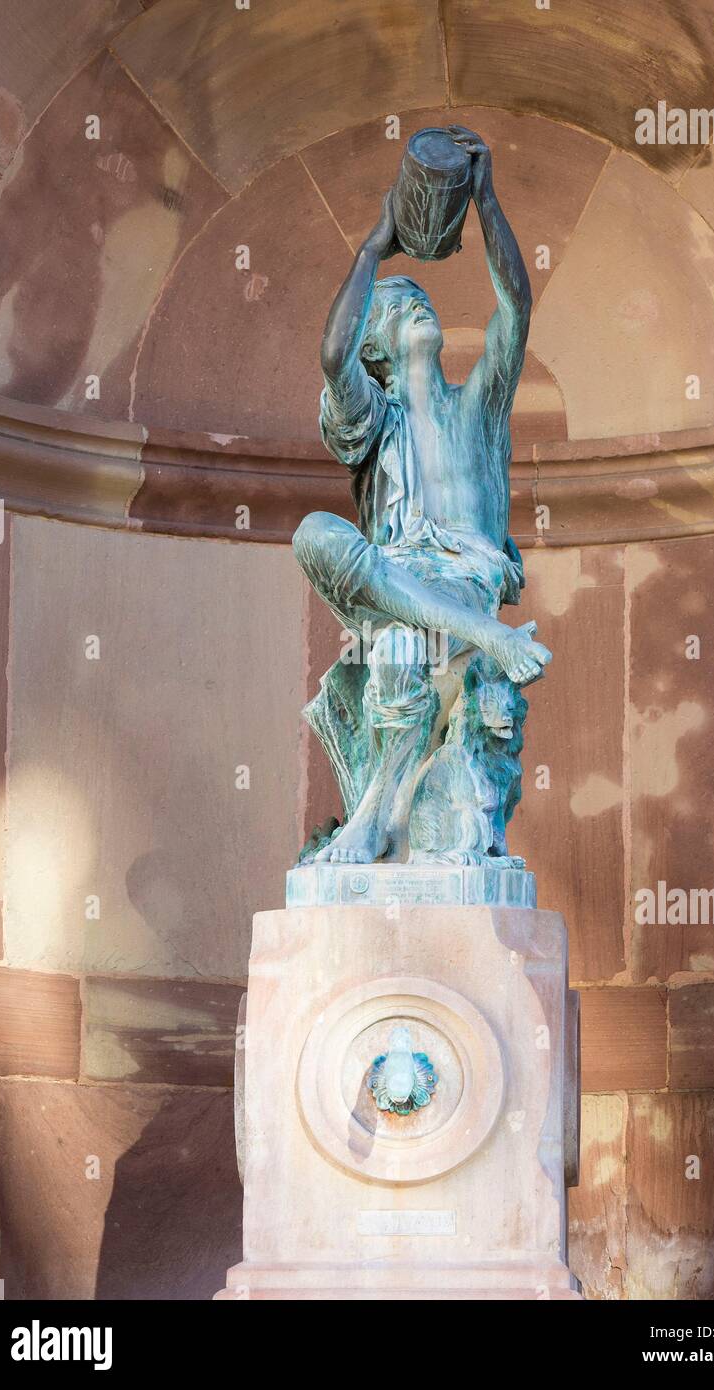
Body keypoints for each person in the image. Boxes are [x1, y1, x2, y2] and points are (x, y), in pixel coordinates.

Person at [294, 127, 551, 865]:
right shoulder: (372, 421)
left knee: (404, 644)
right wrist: (374, 251)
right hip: (395, 579)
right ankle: (380, 816)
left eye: (421, 300)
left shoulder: (479, 408)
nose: (421, 306)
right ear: (377, 347)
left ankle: (374, 819)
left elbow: (516, 305)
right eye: (402, 307)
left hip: (463, 581)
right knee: (318, 535)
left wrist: (487, 201)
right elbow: (332, 356)